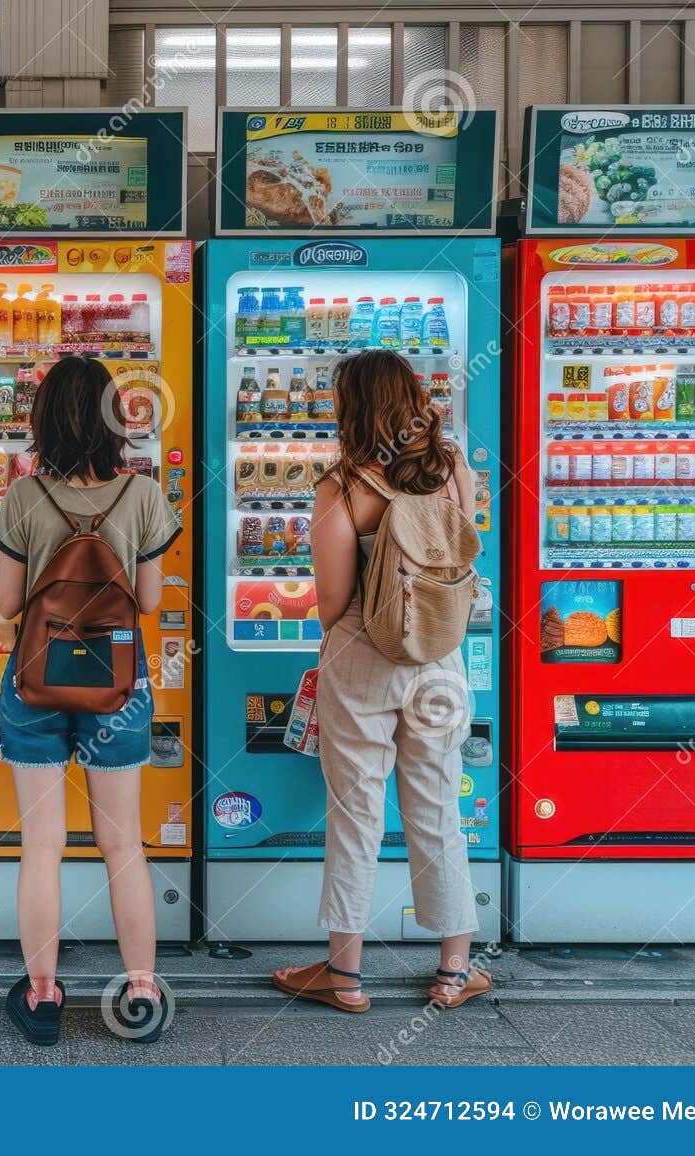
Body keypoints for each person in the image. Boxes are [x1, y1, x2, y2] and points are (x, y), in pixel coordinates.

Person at [273, 349, 488, 1013]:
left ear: (353, 409)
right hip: (438, 663)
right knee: (437, 811)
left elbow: (332, 600)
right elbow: (461, 553)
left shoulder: (340, 489)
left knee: (356, 815)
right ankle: (454, 972)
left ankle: (345, 978)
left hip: (363, 658)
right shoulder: (453, 467)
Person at [0, 356, 181, 1045]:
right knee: (123, 844)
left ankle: (42, 996)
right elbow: (152, 601)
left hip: (35, 678)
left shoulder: (22, 497)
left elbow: (10, 604)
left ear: (43, 421)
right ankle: (140, 991)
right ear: (115, 420)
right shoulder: (144, 496)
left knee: (41, 845)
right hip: (116, 683)